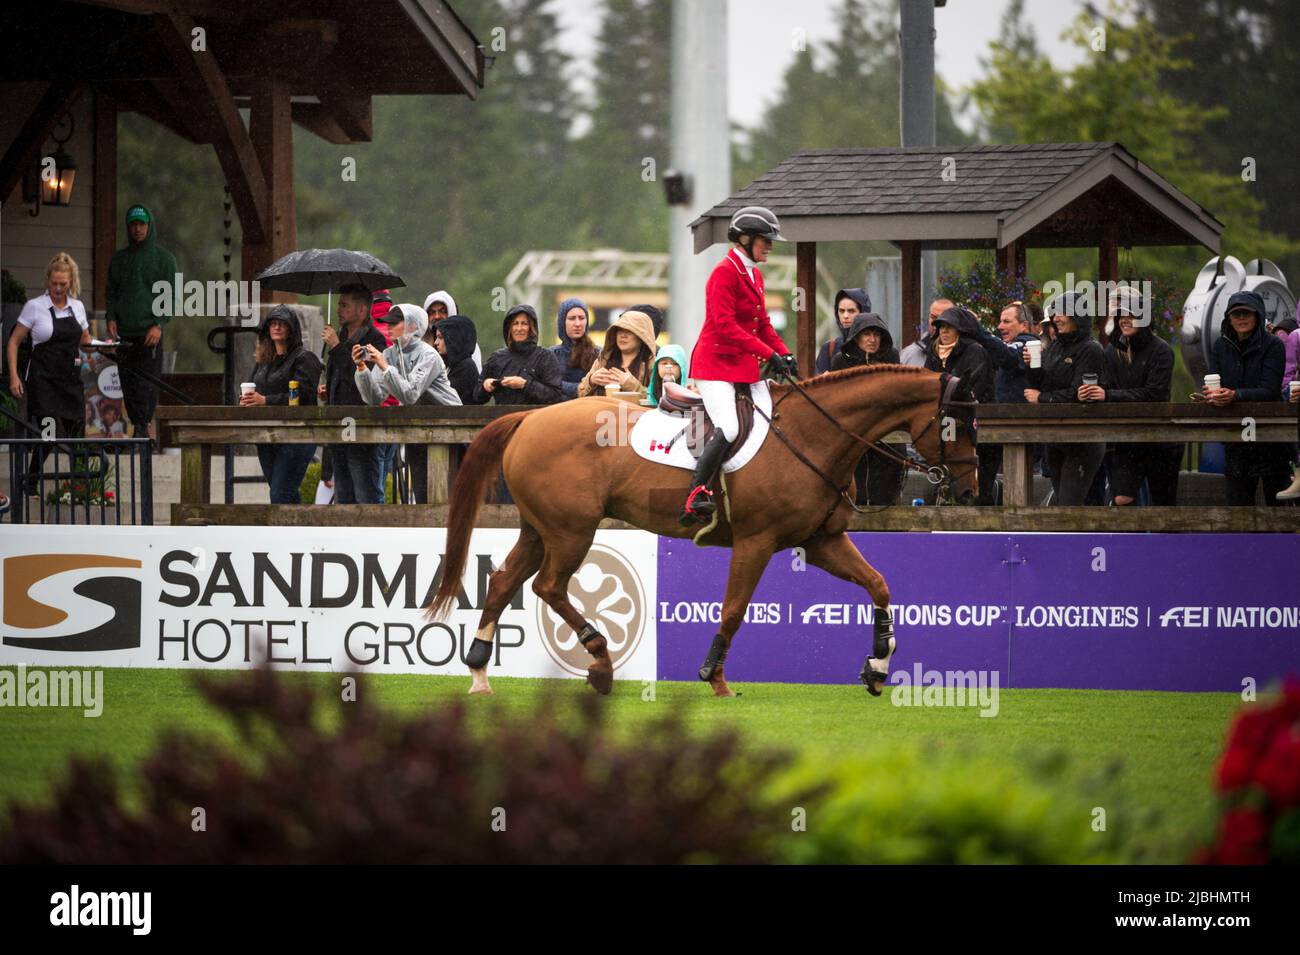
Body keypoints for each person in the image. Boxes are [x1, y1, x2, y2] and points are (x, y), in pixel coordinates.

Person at [683, 206, 795, 524]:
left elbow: (763, 325)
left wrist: (784, 354)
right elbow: (725, 326)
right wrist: (767, 354)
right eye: (765, 240)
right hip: (714, 365)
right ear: (745, 239)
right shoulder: (724, 272)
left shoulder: (754, 274)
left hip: (740, 366)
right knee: (730, 427)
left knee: (771, 417)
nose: (770, 246)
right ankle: (695, 493)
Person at [1078, 286, 1182, 506]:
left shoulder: (1161, 350)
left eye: (1131, 315)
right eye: (1121, 316)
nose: (1125, 320)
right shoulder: (1112, 352)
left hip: (1160, 438)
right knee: (1122, 499)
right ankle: (1131, 542)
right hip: (1127, 437)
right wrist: (1088, 392)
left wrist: (1107, 395)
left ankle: (1164, 541)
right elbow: (1106, 387)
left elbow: (1154, 394)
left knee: (1163, 504)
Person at [356, 303, 462, 504]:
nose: (388, 327)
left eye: (394, 323)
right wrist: (362, 369)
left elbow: (410, 394)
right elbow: (374, 398)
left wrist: (385, 367)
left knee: (447, 495)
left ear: (413, 326)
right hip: (418, 429)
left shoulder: (429, 354)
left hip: (450, 428)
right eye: (387, 322)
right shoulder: (389, 354)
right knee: (422, 494)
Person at [6, 253, 94, 490]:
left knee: (76, 429)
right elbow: (13, 342)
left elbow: (85, 341)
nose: (57, 288)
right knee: (49, 431)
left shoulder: (77, 307)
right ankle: (31, 482)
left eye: (63, 284)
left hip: (69, 378)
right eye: (54, 283)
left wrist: (105, 345)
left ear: (71, 282)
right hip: (43, 380)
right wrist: (14, 375)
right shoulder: (34, 307)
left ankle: (80, 485)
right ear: (48, 281)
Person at [1023, 291, 1108, 506]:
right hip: (1055, 437)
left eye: (1062, 312)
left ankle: (1088, 540)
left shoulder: (1091, 349)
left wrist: (1042, 398)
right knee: (1062, 505)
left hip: (1082, 440)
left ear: (1077, 316)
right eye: (1054, 313)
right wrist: (1032, 364)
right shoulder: (1057, 345)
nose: (1056, 318)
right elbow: (1043, 382)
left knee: (1069, 506)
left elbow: (1078, 393)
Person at [1205, 290, 1288, 506]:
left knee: (1278, 505)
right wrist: (1212, 394)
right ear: (1228, 318)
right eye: (1236, 314)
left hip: (1270, 435)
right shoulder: (1220, 345)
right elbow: (1214, 380)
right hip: (1236, 435)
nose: (1241, 318)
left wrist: (1236, 395)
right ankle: (1241, 541)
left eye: (1246, 313)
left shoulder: (1274, 345)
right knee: (1237, 505)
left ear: (1258, 316)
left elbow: (1270, 390)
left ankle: (1281, 542)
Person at [105, 204, 177, 440]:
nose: (137, 229)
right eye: (133, 225)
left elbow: (170, 295)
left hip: (150, 332)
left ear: (149, 225)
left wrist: (159, 323)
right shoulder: (119, 259)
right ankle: (137, 427)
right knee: (128, 383)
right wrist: (111, 317)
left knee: (148, 383)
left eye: (141, 224)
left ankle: (144, 428)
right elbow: (111, 292)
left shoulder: (164, 259)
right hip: (125, 332)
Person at [241, 304, 322, 504]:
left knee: (280, 492)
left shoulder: (305, 358)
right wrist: (246, 399)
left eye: (282, 324)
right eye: (273, 324)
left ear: (291, 328)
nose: (276, 327)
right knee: (281, 493)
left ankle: (291, 533)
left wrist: (265, 400)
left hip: (298, 434)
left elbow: (303, 395)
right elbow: (254, 389)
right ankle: (298, 531)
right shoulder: (263, 361)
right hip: (267, 435)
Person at [322, 285, 389, 504]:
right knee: (343, 496)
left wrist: (336, 346)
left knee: (365, 493)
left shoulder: (374, 340)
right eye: (339, 304)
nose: (339, 309)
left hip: (362, 426)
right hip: (337, 424)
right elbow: (339, 374)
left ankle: (372, 537)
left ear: (362, 310)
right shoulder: (340, 335)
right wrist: (328, 389)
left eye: (344, 305)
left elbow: (363, 382)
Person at [830, 311, 905, 505]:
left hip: (889, 440)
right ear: (856, 336)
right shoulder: (841, 360)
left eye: (876, 334)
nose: (872, 339)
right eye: (866, 334)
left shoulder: (891, 357)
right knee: (855, 496)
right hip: (852, 440)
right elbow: (838, 400)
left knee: (885, 497)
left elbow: (896, 396)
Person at [924, 306, 996, 504]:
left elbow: (974, 391)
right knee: (947, 484)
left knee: (977, 489)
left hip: (974, 426)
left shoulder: (975, 351)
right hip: (945, 426)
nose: (944, 331)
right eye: (940, 327)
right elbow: (927, 386)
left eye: (949, 327)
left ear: (960, 330)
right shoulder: (933, 352)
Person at [472, 305, 563, 406]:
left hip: (534, 418)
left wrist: (524, 384)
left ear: (531, 327)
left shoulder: (545, 357)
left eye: (524, 323)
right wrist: (485, 387)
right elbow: (476, 397)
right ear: (509, 328)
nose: (519, 328)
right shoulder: (496, 358)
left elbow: (555, 396)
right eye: (515, 324)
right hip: (502, 418)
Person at [577, 308, 658, 398]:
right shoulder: (603, 359)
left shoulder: (652, 364)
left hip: (636, 412)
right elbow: (581, 394)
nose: (623, 335)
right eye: (619, 330)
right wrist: (591, 381)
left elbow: (658, 400)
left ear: (642, 336)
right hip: (602, 411)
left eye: (629, 331)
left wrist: (632, 385)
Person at [972, 301, 1039, 404]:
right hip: (1004, 414)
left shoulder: (1029, 343)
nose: (1000, 327)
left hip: (1021, 417)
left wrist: (977, 329)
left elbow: (1008, 356)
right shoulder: (1009, 344)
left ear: (1024, 325)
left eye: (1006, 322)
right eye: (1000, 321)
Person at [816, 288, 872, 373]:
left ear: (863, 313)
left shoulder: (876, 347)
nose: (845, 316)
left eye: (851, 311)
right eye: (841, 311)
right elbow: (816, 384)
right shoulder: (829, 348)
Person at [551, 297, 598, 399]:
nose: (578, 324)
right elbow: (548, 387)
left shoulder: (599, 354)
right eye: (572, 318)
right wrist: (583, 387)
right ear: (562, 322)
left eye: (581, 318)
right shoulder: (551, 355)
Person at [425, 290, 481, 371]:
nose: (437, 316)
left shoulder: (465, 345)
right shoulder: (423, 343)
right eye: (432, 312)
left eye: (442, 311)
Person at [434, 315, 480, 404]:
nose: (436, 342)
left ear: (453, 338)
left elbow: (446, 400)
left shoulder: (466, 367)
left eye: (440, 337)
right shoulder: (451, 366)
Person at [899, 298, 954, 367]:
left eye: (943, 319)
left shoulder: (966, 354)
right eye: (933, 317)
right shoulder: (910, 354)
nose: (936, 323)